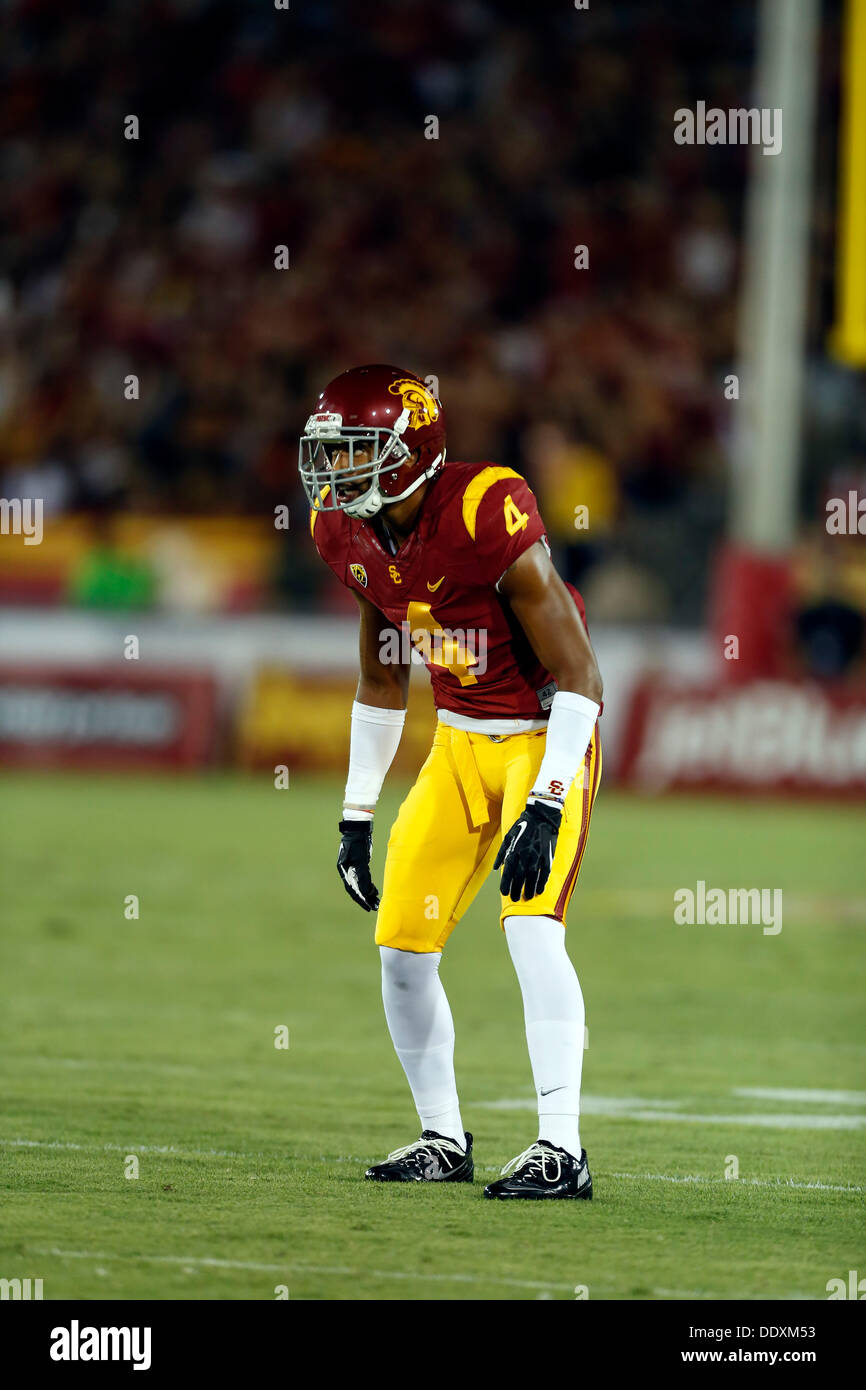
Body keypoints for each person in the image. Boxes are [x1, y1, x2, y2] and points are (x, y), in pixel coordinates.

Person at [300, 364, 603, 1199]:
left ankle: (562, 1149)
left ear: (407, 451)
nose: (334, 472)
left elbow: (581, 673)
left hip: (542, 738)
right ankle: (442, 1136)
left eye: (356, 450)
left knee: (531, 929)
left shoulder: (483, 506)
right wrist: (354, 815)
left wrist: (545, 804)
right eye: (330, 452)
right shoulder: (348, 532)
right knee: (401, 948)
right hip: (460, 747)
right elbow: (384, 678)